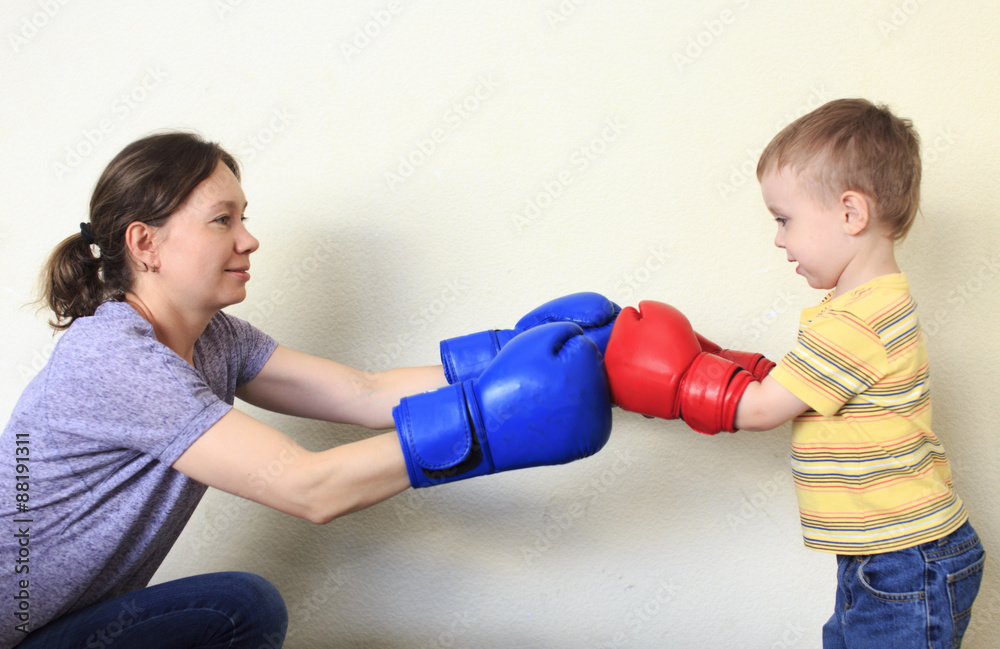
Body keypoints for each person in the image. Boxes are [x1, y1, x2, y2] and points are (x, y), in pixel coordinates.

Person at [0, 131, 618, 649]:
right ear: (145, 243)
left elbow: (364, 392)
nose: (248, 239)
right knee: (238, 607)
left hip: (55, 626)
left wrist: (519, 351)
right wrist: (488, 420)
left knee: (234, 605)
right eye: (223, 220)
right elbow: (308, 488)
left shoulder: (216, 339)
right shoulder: (114, 358)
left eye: (245, 218)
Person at [602, 99, 985, 647]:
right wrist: (719, 359)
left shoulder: (858, 320)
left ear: (851, 214)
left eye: (785, 220)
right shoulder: (860, 308)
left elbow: (761, 408)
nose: (779, 239)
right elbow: (797, 387)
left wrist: (673, 381)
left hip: (906, 559)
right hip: (888, 551)